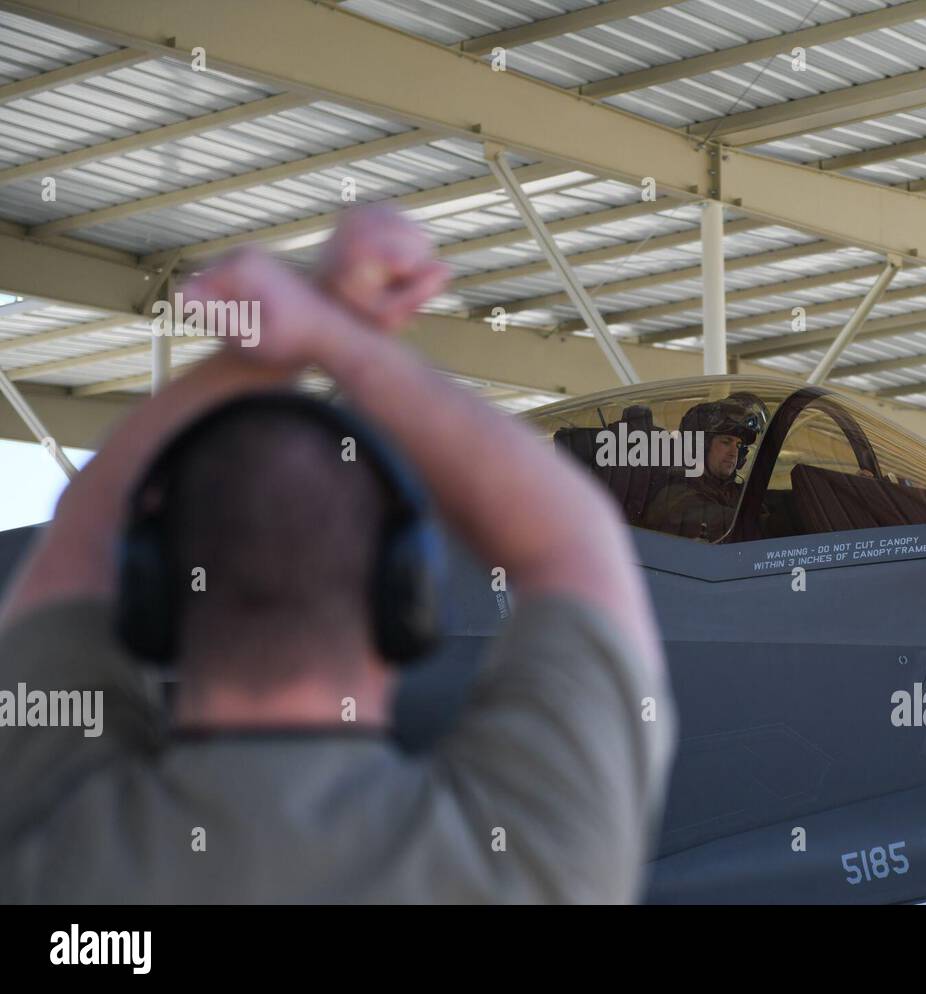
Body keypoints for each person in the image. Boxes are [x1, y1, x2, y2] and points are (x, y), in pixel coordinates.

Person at [0, 206, 676, 903]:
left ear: (152, 597)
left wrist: (304, 334)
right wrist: (328, 328)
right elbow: (579, 543)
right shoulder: (526, 863)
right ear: (404, 599)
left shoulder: (49, 858)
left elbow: (80, 532)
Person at [642, 397, 764, 542]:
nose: (734, 453)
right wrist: (765, 523)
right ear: (699, 446)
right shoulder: (674, 494)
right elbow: (715, 520)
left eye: (738, 446)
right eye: (726, 442)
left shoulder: (733, 492)